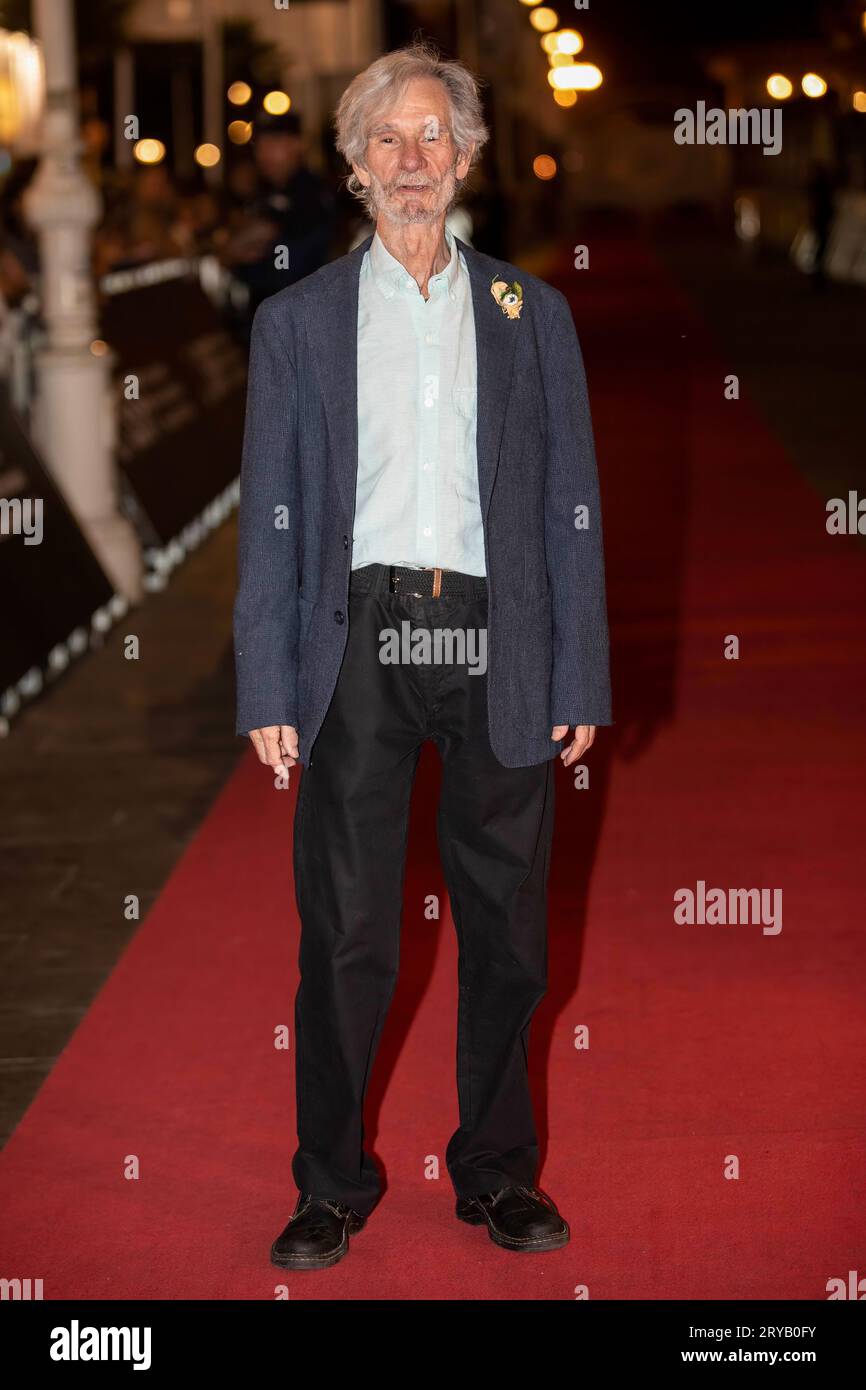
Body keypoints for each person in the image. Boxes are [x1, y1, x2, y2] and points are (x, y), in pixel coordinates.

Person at [233, 40, 612, 1270]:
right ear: (353, 164)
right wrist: (265, 679)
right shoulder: (297, 324)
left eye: (431, 137)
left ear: (464, 159)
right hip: (355, 641)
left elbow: (570, 501)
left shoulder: (529, 311)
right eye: (385, 140)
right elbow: (272, 505)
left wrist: (578, 674)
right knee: (346, 931)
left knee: (505, 924)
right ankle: (329, 1180)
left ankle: (496, 1172)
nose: (410, 160)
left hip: (498, 636)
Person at [225, 110, 336, 319]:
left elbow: (288, 268)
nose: (264, 153)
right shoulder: (265, 194)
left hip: (303, 316)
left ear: (298, 144)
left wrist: (246, 261)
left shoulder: (310, 192)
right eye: (260, 145)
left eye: (274, 143)